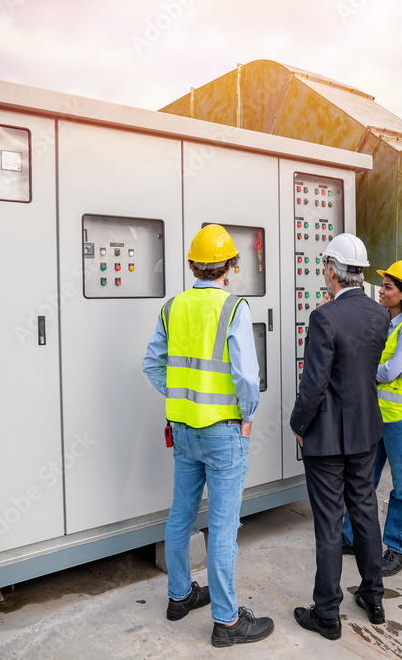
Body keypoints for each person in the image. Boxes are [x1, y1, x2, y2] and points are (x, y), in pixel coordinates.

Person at [143, 224, 274, 648]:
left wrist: (182, 397)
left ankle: (179, 597)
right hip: (223, 432)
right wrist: (248, 416)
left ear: (193, 265)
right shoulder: (233, 308)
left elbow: (152, 364)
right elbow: (246, 378)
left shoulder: (173, 306)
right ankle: (227, 621)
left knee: (181, 516)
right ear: (230, 267)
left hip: (184, 432)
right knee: (222, 527)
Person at [289, 233, 390, 640]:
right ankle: (374, 597)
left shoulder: (324, 317)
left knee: (330, 522)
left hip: (327, 438)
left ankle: (327, 614)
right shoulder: (380, 314)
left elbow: (314, 385)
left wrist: (298, 424)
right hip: (366, 432)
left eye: (324, 270)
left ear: (332, 271)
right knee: (365, 512)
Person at [342, 260, 402, 576]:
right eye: (383, 285)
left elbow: (389, 371)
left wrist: (361, 367)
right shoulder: (387, 323)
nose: (382, 290)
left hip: (401, 419)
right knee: (363, 479)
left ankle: (398, 548)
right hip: (378, 417)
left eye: (389, 287)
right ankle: (351, 536)